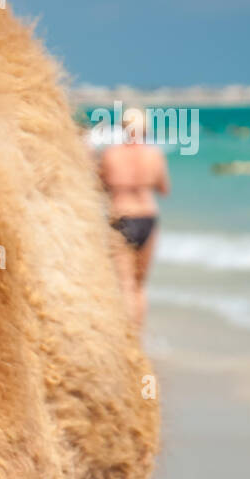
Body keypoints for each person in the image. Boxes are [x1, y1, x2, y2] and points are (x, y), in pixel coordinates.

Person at [99, 107, 170, 330]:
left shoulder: (111, 154)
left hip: (121, 218)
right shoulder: (154, 154)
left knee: (126, 285)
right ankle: (138, 337)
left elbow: (99, 186)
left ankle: (128, 339)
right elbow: (164, 188)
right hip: (148, 218)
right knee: (140, 285)